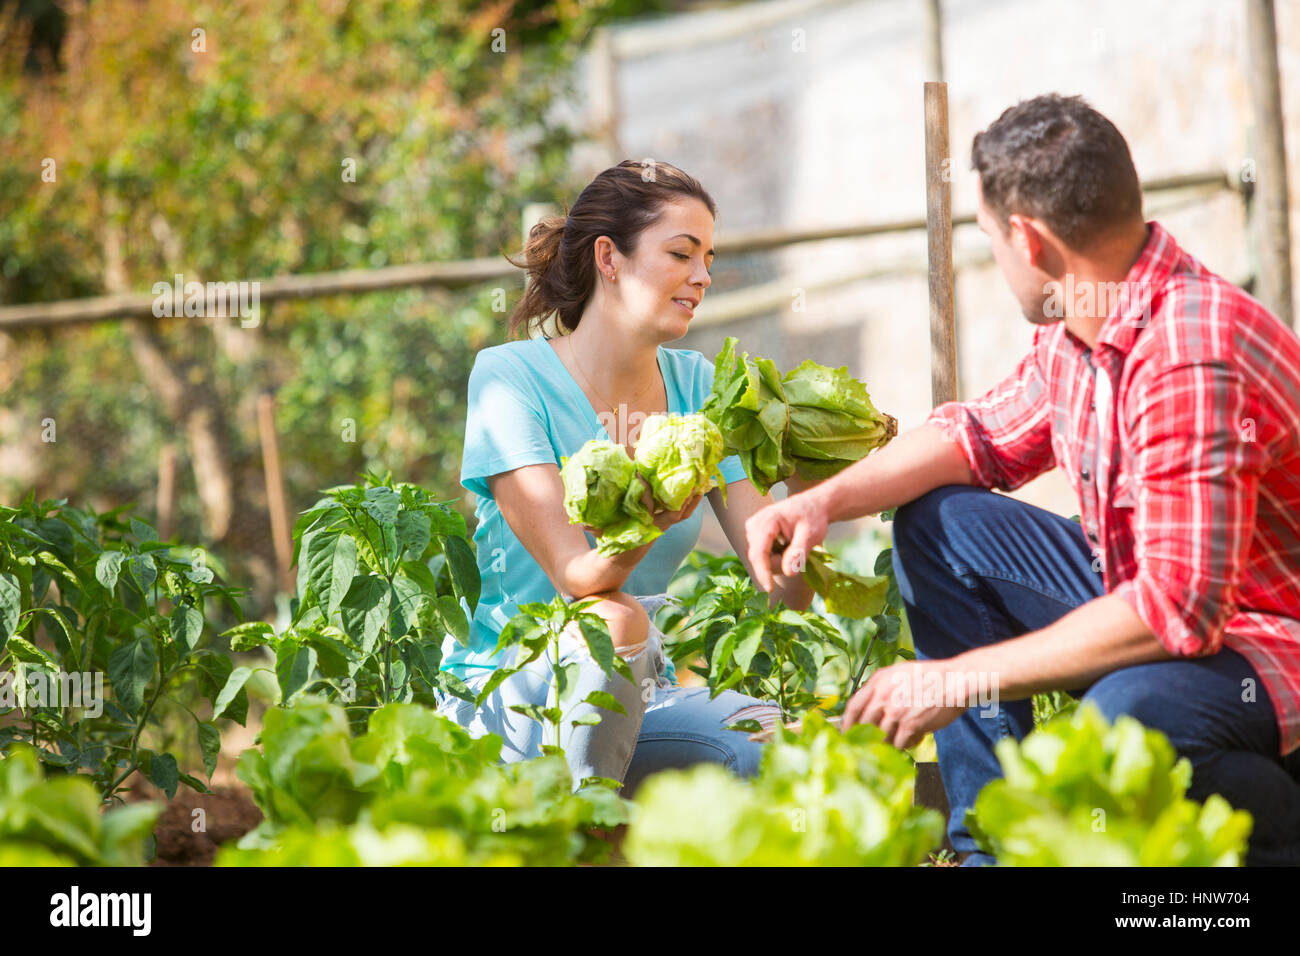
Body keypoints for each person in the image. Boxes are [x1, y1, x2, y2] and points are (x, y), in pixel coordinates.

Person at [747, 94, 1300, 866]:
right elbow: (976, 437)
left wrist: (954, 681)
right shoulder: (1086, 322)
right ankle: (994, 851)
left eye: (988, 239)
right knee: (937, 526)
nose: (996, 258)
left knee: (1126, 722)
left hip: (1266, 635)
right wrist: (822, 500)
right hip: (1155, 598)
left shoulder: (1188, 351)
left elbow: (1181, 610)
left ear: (1028, 240)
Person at [435, 159, 816, 794]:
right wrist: (659, 512)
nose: (703, 277)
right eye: (681, 254)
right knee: (614, 618)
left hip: (639, 695)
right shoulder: (508, 378)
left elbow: (785, 592)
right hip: (513, 694)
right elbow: (578, 577)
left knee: (778, 741)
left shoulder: (698, 385)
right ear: (608, 258)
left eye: (709, 259)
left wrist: (808, 488)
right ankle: (583, 839)